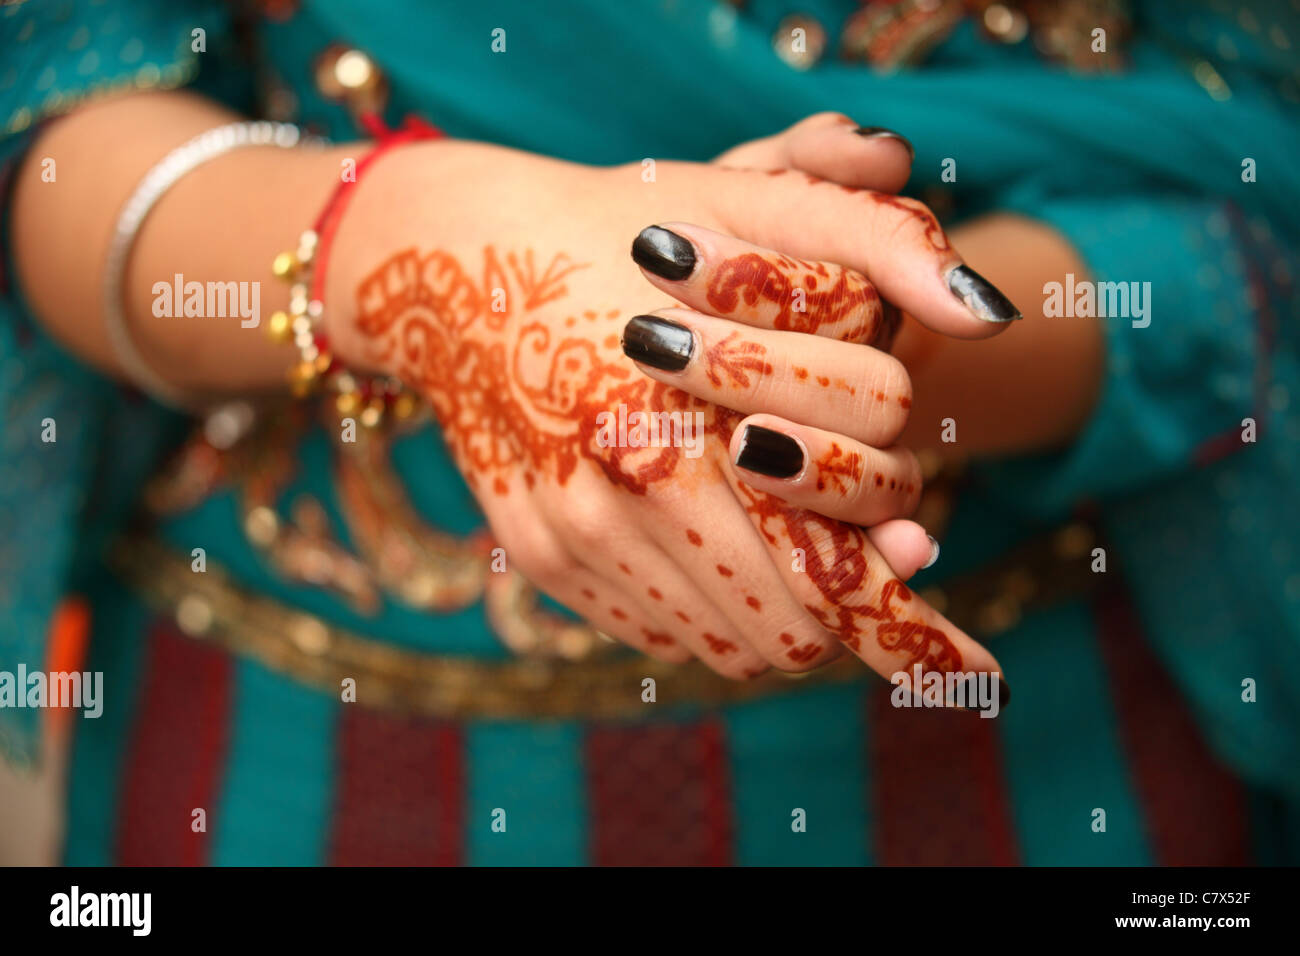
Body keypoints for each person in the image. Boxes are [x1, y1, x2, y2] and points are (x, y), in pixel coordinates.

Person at [1, 0, 1296, 865]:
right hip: (285, 760)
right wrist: (411, 238)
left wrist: (834, 341)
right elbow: (59, 149)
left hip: (1027, 750)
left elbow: (1244, 180)